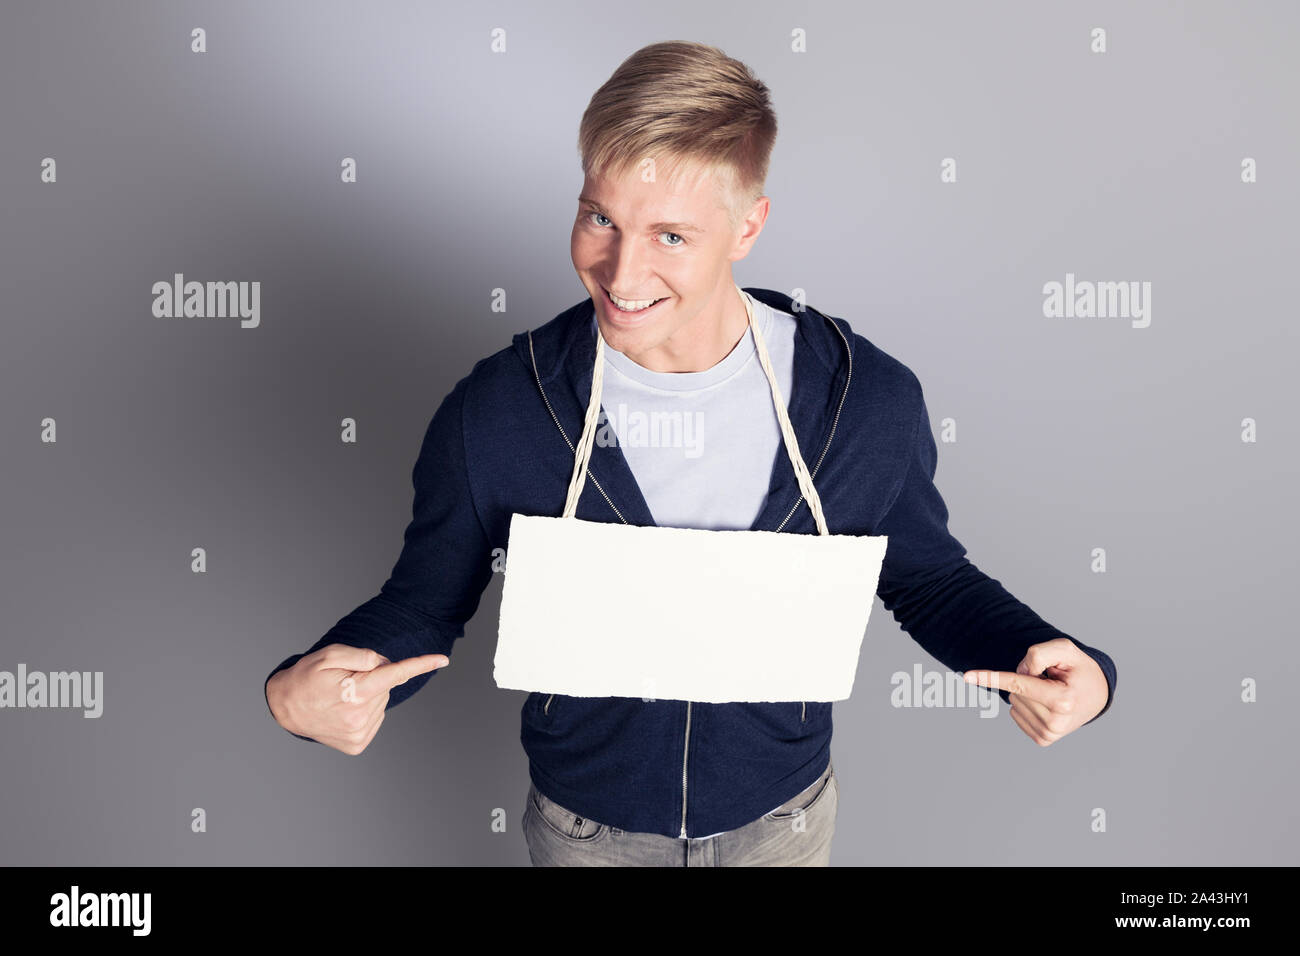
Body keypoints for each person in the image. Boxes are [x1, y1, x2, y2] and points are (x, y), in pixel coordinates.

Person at [264, 40, 1117, 867]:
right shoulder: (499, 408)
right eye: (599, 217)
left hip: (783, 824)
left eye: (670, 235)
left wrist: (1052, 660)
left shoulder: (865, 402)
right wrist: (302, 693)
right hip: (586, 836)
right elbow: (425, 600)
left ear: (748, 227)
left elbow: (927, 577)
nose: (620, 271)